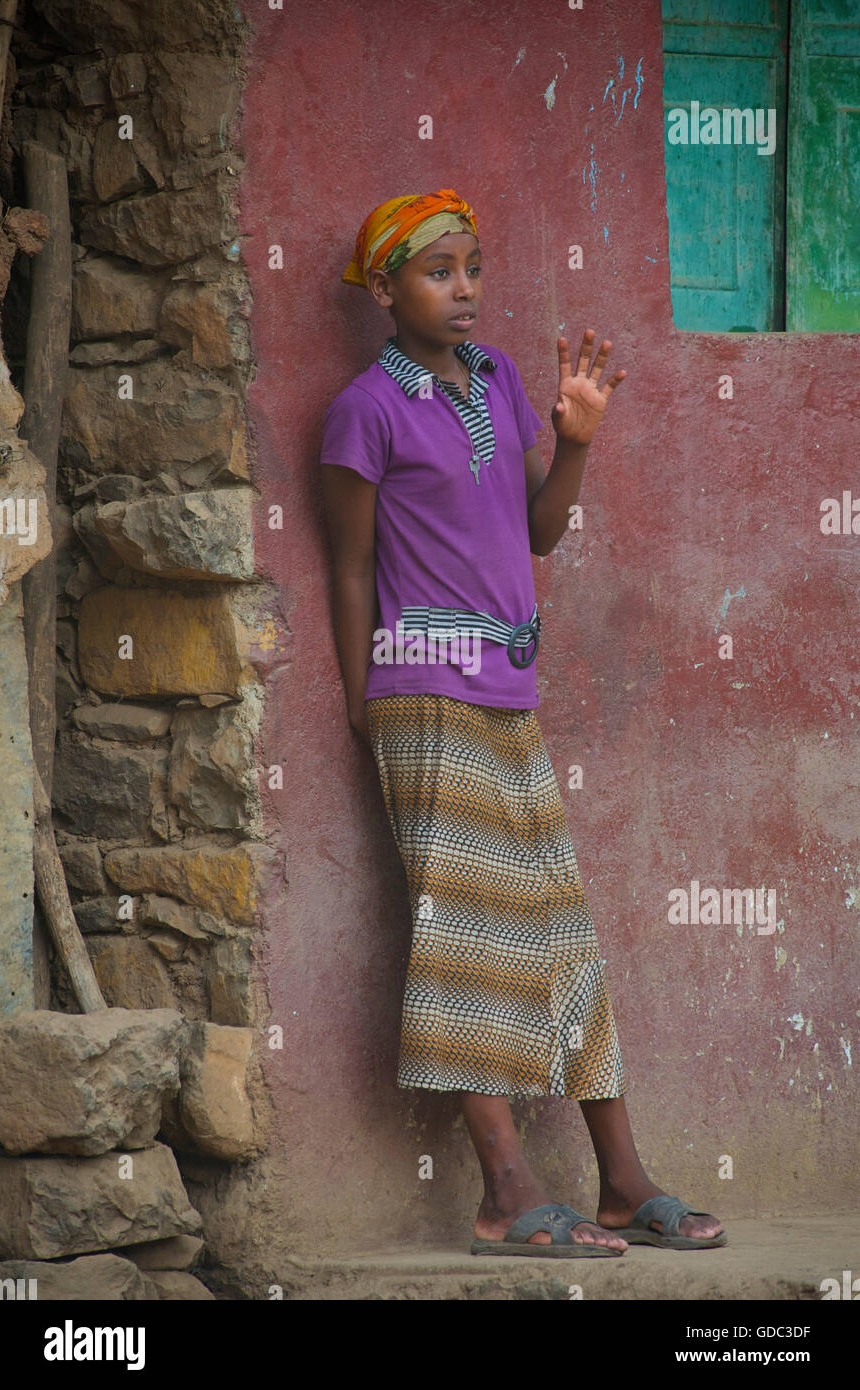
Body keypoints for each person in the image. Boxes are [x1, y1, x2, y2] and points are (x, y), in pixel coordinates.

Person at [320, 188, 725, 1257]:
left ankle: (618, 1179)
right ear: (382, 288)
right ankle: (504, 1191)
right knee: (463, 937)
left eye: (473, 266)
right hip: (420, 688)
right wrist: (367, 702)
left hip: (506, 692)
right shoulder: (363, 408)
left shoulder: (498, 379)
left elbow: (537, 529)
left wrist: (575, 439)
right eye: (435, 270)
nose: (462, 288)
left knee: (561, 932)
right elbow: (351, 563)